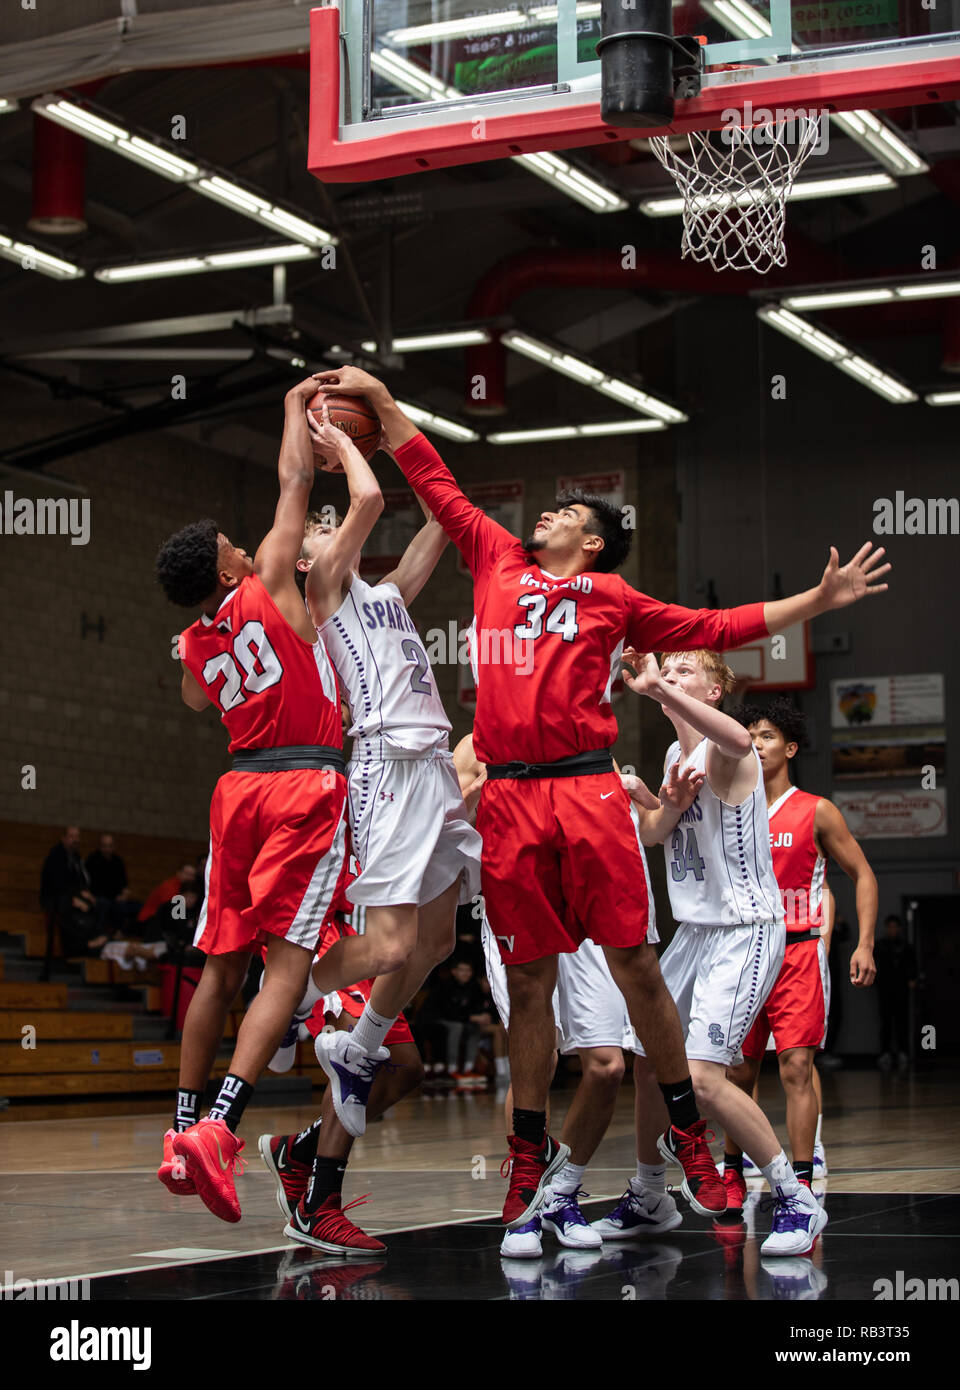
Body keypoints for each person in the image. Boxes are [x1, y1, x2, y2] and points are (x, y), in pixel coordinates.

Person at [310, 363, 890, 1236]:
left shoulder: (615, 600)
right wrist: (384, 405)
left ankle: (690, 1139)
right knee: (533, 984)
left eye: (565, 513)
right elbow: (431, 474)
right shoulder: (495, 554)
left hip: (585, 790)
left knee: (635, 967)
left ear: (590, 542)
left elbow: (720, 629)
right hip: (509, 799)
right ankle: (528, 1163)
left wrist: (819, 598)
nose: (543, 513)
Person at [153, 379, 370, 1223]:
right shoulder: (272, 578)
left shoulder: (196, 647)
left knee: (219, 966)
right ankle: (224, 1127)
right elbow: (294, 485)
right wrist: (293, 414)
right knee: (287, 962)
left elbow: (198, 703)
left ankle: (180, 1129)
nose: (250, 546)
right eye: (235, 545)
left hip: (234, 790)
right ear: (226, 566)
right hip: (300, 783)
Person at [295, 448, 482, 1171]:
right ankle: (287, 998)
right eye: (317, 526)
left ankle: (358, 1046)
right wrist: (352, 441)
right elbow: (368, 501)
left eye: (326, 523)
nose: (327, 527)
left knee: (435, 941)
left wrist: (426, 458)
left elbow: (442, 518)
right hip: (385, 762)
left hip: (433, 769)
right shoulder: (323, 586)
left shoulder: (386, 596)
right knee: (391, 947)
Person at [612, 649, 826, 1257]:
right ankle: (651, 1194)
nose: (671, 676)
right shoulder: (676, 755)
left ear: (712, 691)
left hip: (743, 929)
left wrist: (656, 689)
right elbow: (655, 837)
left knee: (703, 1076)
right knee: (648, 1060)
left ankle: (795, 1199)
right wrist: (659, 802)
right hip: (695, 931)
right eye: (666, 669)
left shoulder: (730, 749)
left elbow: (734, 733)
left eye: (684, 672)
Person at [455, 732, 698, 1257]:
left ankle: (561, 1193)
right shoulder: (478, 744)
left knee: (608, 1064)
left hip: (587, 910)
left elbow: (642, 828)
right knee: (535, 1066)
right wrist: (472, 794)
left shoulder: (586, 740)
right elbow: (450, 825)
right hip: (523, 898)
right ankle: (524, 1201)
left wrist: (668, 806)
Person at [720, 699, 876, 1208]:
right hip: (743, 954)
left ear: (788, 747)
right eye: (749, 735)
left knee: (795, 1066)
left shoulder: (816, 810)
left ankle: (803, 1180)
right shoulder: (728, 809)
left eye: (766, 736)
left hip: (797, 953)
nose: (756, 744)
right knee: (738, 1072)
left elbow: (863, 874)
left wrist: (864, 944)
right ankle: (731, 1173)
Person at [40, 827, 107, 956]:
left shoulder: (77, 857)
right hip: (54, 897)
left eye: (77, 837)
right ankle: (77, 948)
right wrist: (74, 897)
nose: (75, 840)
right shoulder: (55, 855)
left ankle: (98, 937)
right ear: (64, 838)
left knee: (98, 903)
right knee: (73, 907)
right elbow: (56, 883)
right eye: (72, 836)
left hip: (73, 895)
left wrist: (86, 893)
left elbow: (81, 881)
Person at [875, 915, 917, 1070]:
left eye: (895, 927)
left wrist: (912, 979)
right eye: (890, 927)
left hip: (901, 989)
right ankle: (885, 1052)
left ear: (899, 929)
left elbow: (912, 964)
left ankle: (903, 1052)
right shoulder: (880, 946)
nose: (892, 930)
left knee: (902, 1021)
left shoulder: (906, 946)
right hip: (885, 988)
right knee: (885, 1021)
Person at [85, 833, 141, 931]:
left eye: (109, 846)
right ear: (100, 846)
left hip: (116, 898)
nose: (107, 849)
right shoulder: (92, 860)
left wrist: (124, 895)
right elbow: (86, 883)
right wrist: (91, 896)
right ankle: (99, 933)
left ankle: (121, 933)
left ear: (114, 846)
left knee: (136, 906)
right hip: (98, 897)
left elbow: (125, 886)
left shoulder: (118, 862)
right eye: (104, 846)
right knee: (104, 905)